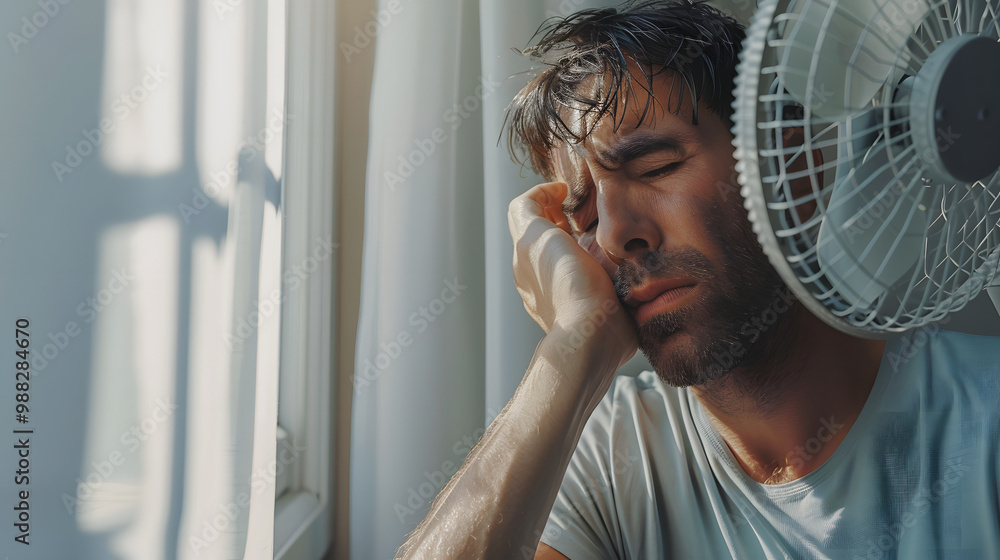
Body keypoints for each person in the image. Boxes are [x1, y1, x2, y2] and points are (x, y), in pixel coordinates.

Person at [395, 1, 1000, 558]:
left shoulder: (984, 417)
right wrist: (574, 343)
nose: (612, 234)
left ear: (794, 169)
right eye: (582, 215)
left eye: (655, 167)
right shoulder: (614, 460)